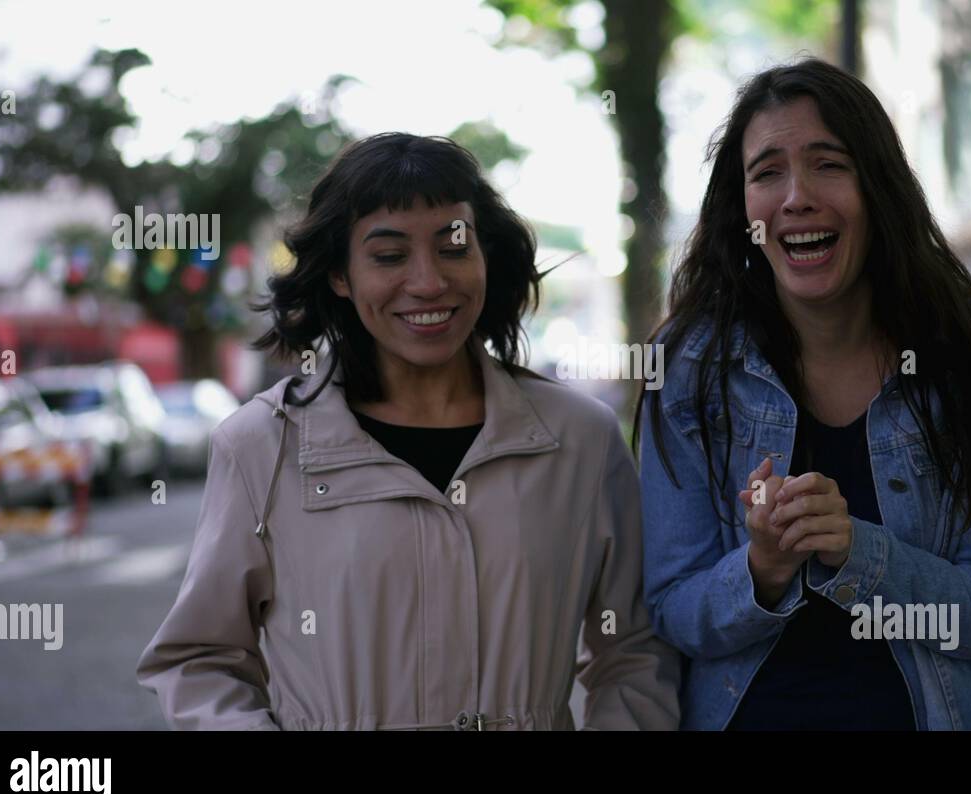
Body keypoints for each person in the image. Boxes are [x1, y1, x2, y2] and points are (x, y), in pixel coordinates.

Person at [138, 132, 680, 731]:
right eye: (390, 256)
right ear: (340, 275)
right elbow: (200, 660)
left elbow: (635, 650)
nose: (428, 282)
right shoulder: (261, 447)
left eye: (453, 246)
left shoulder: (581, 439)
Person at [636, 58, 971, 730]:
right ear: (740, 207)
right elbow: (673, 610)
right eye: (766, 171)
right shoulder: (688, 364)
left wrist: (856, 551)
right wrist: (763, 567)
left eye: (828, 163)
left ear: (877, 185)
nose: (796, 195)